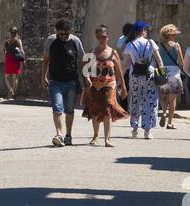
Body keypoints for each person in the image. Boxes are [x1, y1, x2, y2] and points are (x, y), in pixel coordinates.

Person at [81, 25, 128, 146]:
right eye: (99, 36)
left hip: (109, 85)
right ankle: (95, 136)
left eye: (104, 36)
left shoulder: (113, 53)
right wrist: (87, 79)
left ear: (108, 36)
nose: (102, 39)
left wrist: (123, 87)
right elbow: (85, 70)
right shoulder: (91, 52)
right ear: (96, 37)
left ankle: (107, 139)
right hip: (94, 86)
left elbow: (118, 71)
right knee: (95, 110)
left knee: (107, 110)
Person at [42, 18, 86, 147]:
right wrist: (43, 76)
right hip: (55, 81)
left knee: (70, 110)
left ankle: (68, 135)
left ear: (70, 32)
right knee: (57, 107)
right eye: (61, 34)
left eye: (66, 34)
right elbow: (45, 60)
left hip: (71, 81)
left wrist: (85, 78)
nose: (63, 36)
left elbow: (82, 60)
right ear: (56, 32)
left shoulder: (75, 41)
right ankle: (59, 134)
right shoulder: (51, 41)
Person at [123, 21, 160, 139]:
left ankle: (134, 128)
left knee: (135, 100)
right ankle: (147, 131)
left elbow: (125, 65)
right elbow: (159, 61)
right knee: (150, 101)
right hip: (150, 75)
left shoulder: (130, 45)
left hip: (135, 76)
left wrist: (119, 80)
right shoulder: (151, 43)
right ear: (143, 31)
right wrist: (162, 76)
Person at [156, 24, 184, 131]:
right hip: (174, 73)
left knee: (163, 96)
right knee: (173, 100)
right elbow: (181, 62)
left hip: (162, 71)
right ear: (172, 35)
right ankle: (170, 122)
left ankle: (163, 113)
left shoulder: (159, 46)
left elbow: (157, 60)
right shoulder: (176, 46)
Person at [116, 22, 135, 113]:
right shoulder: (132, 40)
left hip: (121, 65)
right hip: (130, 66)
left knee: (122, 86)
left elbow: (118, 52)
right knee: (128, 87)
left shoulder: (121, 39)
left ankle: (123, 106)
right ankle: (128, 107)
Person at [3, 27, 24, 99]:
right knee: (15, 77)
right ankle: (14, 93)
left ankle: (11, 89)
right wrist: (23, 60)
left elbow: (4, 51)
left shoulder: (7, 41)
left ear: (10, 33)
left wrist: (4, 59)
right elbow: (21, 51)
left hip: (8, 58)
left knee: (6, 77)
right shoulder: (18, 40)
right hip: (16, 59)